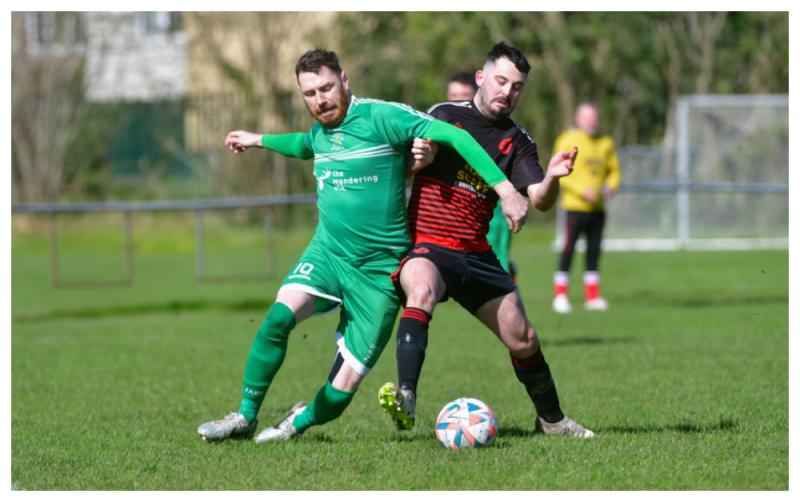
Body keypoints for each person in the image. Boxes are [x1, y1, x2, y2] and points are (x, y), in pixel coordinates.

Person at [196, 48, 529, 443]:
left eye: (326, 88)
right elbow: (304, 145)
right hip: (329, 254)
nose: (320, 100)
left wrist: (507, 190)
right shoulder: (320, 132)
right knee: (278, 319)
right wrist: (258, 140)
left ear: (345, 80)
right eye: (309, 94)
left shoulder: (382, 117)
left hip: (379, 273)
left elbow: (455, 135)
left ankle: (294, 424)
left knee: (338, 397)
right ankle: (245, 416)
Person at [378, 42, 594, 438]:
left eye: (517, 87)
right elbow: (401, 168)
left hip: (476, 254)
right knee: (421, 291)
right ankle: (406, 394)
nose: (507, 92)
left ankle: (552, 421)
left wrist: (551, 178)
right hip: (428, 244)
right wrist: (417, 162)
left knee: (523, 338)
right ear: (481, 78)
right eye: (501, 81)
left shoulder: (518, 140)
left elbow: (540, 201)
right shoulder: (444, 115)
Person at [551, 103, 621, 313]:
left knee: (594, 252)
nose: (591, 120)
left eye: (594, 116)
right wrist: (582, 191)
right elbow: (558, 172)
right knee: (568, 250)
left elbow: (614, 170)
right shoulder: (567, 139)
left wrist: (611, 186)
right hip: (574, 207)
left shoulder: (606, 142)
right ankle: (560, 295)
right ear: (577, 118)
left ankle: (592, 297)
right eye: (587, 117)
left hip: (598, 208)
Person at [447, 71, 517, 280]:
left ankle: (507, 279)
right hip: (454, 208)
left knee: (495, 262)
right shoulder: (441, 126)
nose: (458, 101)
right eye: (453, 95)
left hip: (491, 207)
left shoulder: (497, 130)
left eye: (463, 96)